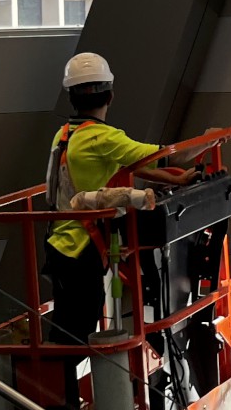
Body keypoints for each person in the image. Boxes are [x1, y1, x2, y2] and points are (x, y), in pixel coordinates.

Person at [41, 52, 200, 350]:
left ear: (70, 97)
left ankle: (57, 393)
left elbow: (132, 165)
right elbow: (168, 155)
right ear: (110, 96)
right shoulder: (104, 137)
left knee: (65, 328)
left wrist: (176, 180)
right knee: (77, 334)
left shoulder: (66, 135)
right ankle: (54, 394)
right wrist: (211, 138)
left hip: (58, 242)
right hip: (81, 247)